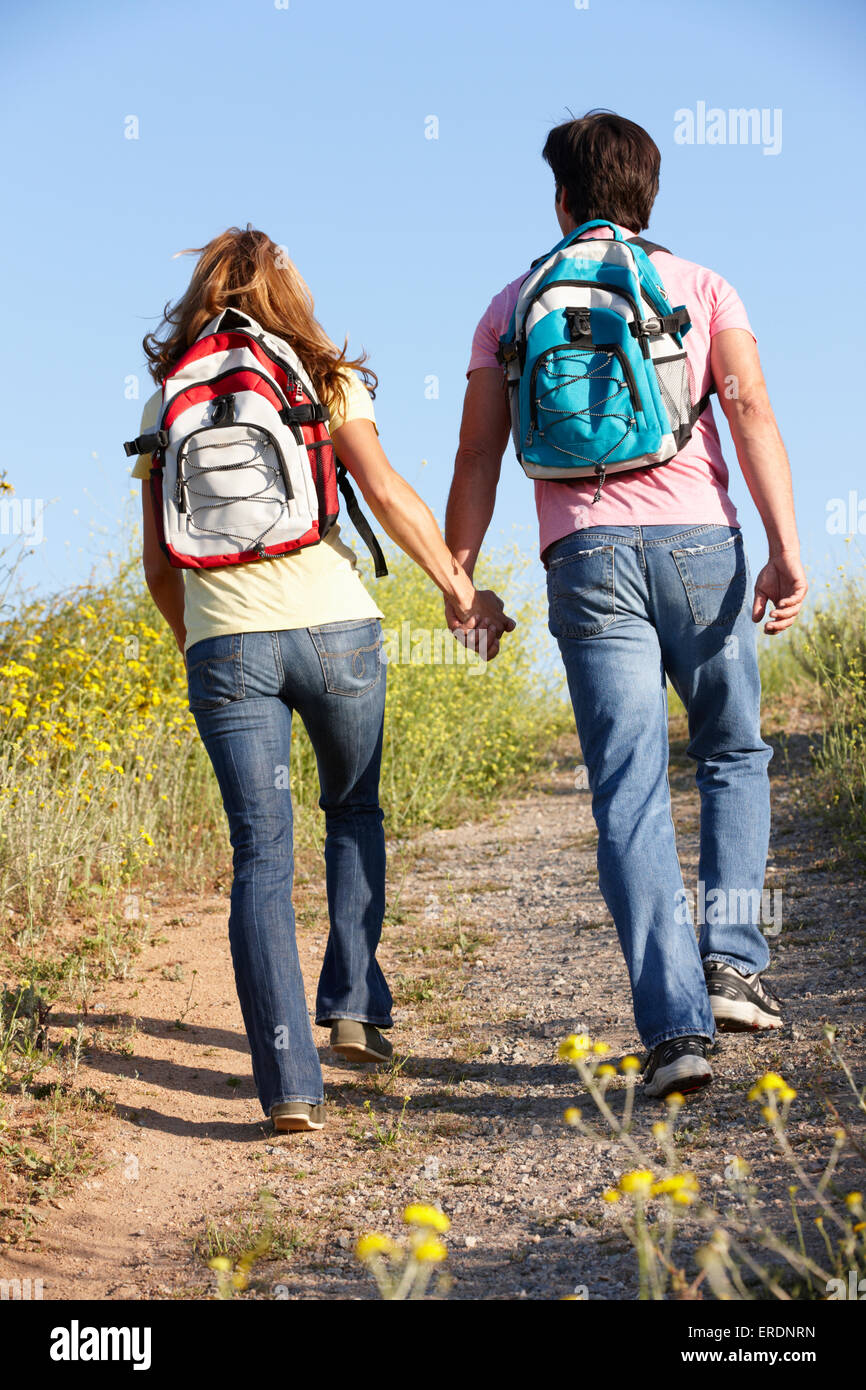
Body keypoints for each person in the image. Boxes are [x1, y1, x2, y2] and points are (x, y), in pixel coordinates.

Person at [444, 113, 808, 1100]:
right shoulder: (700, 284)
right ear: (651, 194)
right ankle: (730, 960)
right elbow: (749, 409)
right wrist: (781, 545)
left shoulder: (513, 301)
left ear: (559, 199)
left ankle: (672, 1030)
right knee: (729, 751)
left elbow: (478, 453)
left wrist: (461, 576)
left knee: (628, 788)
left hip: (585, 557)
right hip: (701, 548)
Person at [133, 226, 514, 1132]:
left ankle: (289, 1089)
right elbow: (383, 491)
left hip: (228, 646)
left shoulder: (168, 396)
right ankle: (351, 1005)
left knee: (260, 859)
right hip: (337, 628)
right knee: (354, 808)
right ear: (286, 291)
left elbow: (158, 562)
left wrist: (208, 642)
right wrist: (461, 594)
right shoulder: (320, 375)